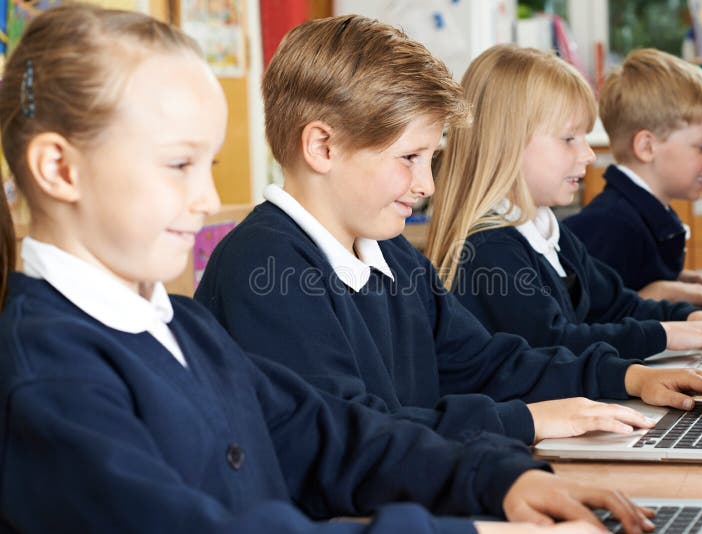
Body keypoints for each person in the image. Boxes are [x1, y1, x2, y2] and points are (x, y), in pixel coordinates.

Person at [0, 5, 642, 533]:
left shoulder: (182, 329)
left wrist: (495, 480)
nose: (204, 199)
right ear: (59, 169)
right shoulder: (48, 376)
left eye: (209, 166)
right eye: (178, 165)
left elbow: (332, 434)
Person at [195, 14, 702, 460]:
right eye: (409, 157)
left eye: (430, 158)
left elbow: (485, 363)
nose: (427, 183)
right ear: (322, 147)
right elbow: (346, 436)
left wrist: (625, 376)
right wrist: (524, 424)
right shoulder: (263, 268)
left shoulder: (390, 254)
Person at [426, 45, 702, 361]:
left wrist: (692, 319)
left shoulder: (546, 230)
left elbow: (615, 304)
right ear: (506, 144)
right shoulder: (491, 248)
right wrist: (664, 335)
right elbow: (554, 344)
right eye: (569, 139)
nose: (588, 155)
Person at [564, 48, 702, 308]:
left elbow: (631, 278)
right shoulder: (611, 226)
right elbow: (592, 318)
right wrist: (661, 292)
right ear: (647, 147)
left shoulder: (645, 213)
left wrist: (681, 281)